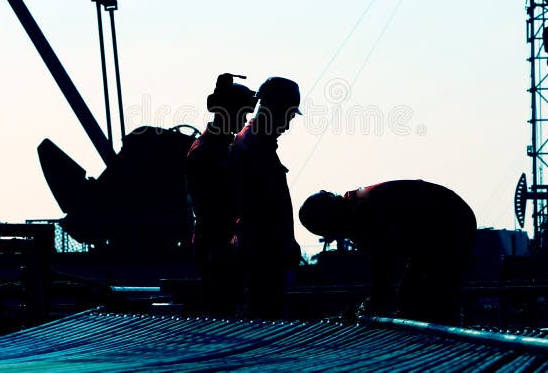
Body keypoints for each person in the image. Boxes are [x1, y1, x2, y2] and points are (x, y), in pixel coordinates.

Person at [299, 180, 476, 325]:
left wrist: (376, 303)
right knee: (415, 299)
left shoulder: (363, 213)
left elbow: (384, 262)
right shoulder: (356, 208)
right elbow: (386, 263)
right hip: (441, 222)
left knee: (430, 296)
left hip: (449, 222)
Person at [228, 76, 302, 319]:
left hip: (263, 250)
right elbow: (265, 206)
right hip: (263, 253)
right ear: (274, 109)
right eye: (289, 116)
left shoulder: (253, 144)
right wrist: (283, 242)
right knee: (264, 316)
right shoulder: (253, 147)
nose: (288, 125)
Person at [186, 73, 257, 316]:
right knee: (221, 311)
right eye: (242, 113)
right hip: (216, 244)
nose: (244, 119)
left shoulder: (219, 148)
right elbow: (212, 205)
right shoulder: (207, 152)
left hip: (222, 242)